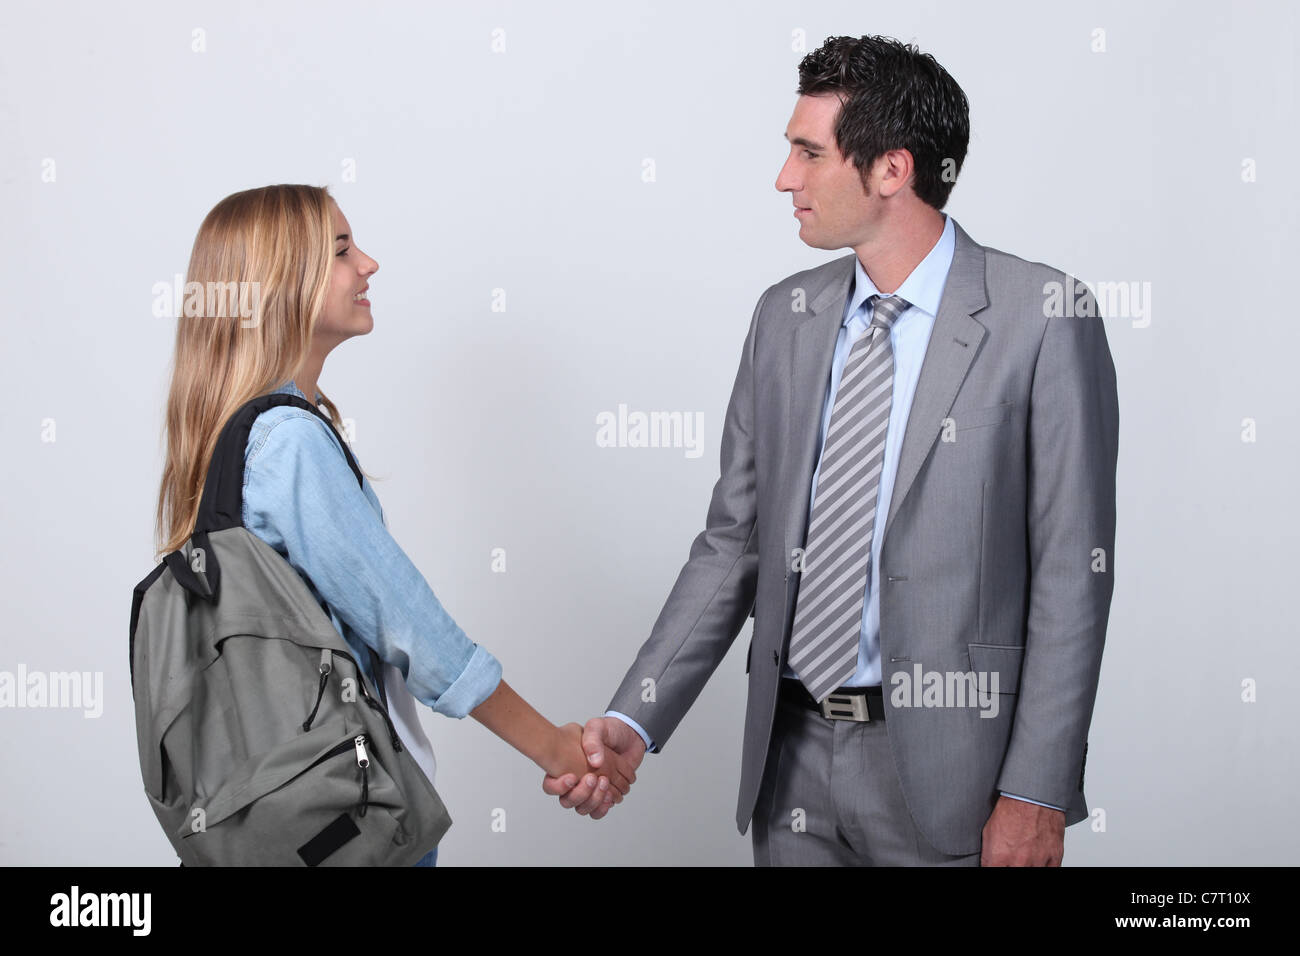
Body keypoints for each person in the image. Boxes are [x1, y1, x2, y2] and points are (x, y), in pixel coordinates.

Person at [544, 35, 1119, 866]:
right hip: (792, 766)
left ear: (892, 170)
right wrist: (636, 717)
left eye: (808, 153)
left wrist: (1038, 791)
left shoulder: (1043, 315)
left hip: (964, 778)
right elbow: (734, 546)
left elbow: (1073, 572)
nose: (785, 177)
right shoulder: (785, 318)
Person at [155, 184, 634, 865]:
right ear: (278, 283)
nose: (369, 265)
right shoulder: (287, 442)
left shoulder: (236, 440)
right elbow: (410, 627)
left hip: (285, 829)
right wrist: (555, 747)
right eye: (343, 250)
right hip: (347, 828)